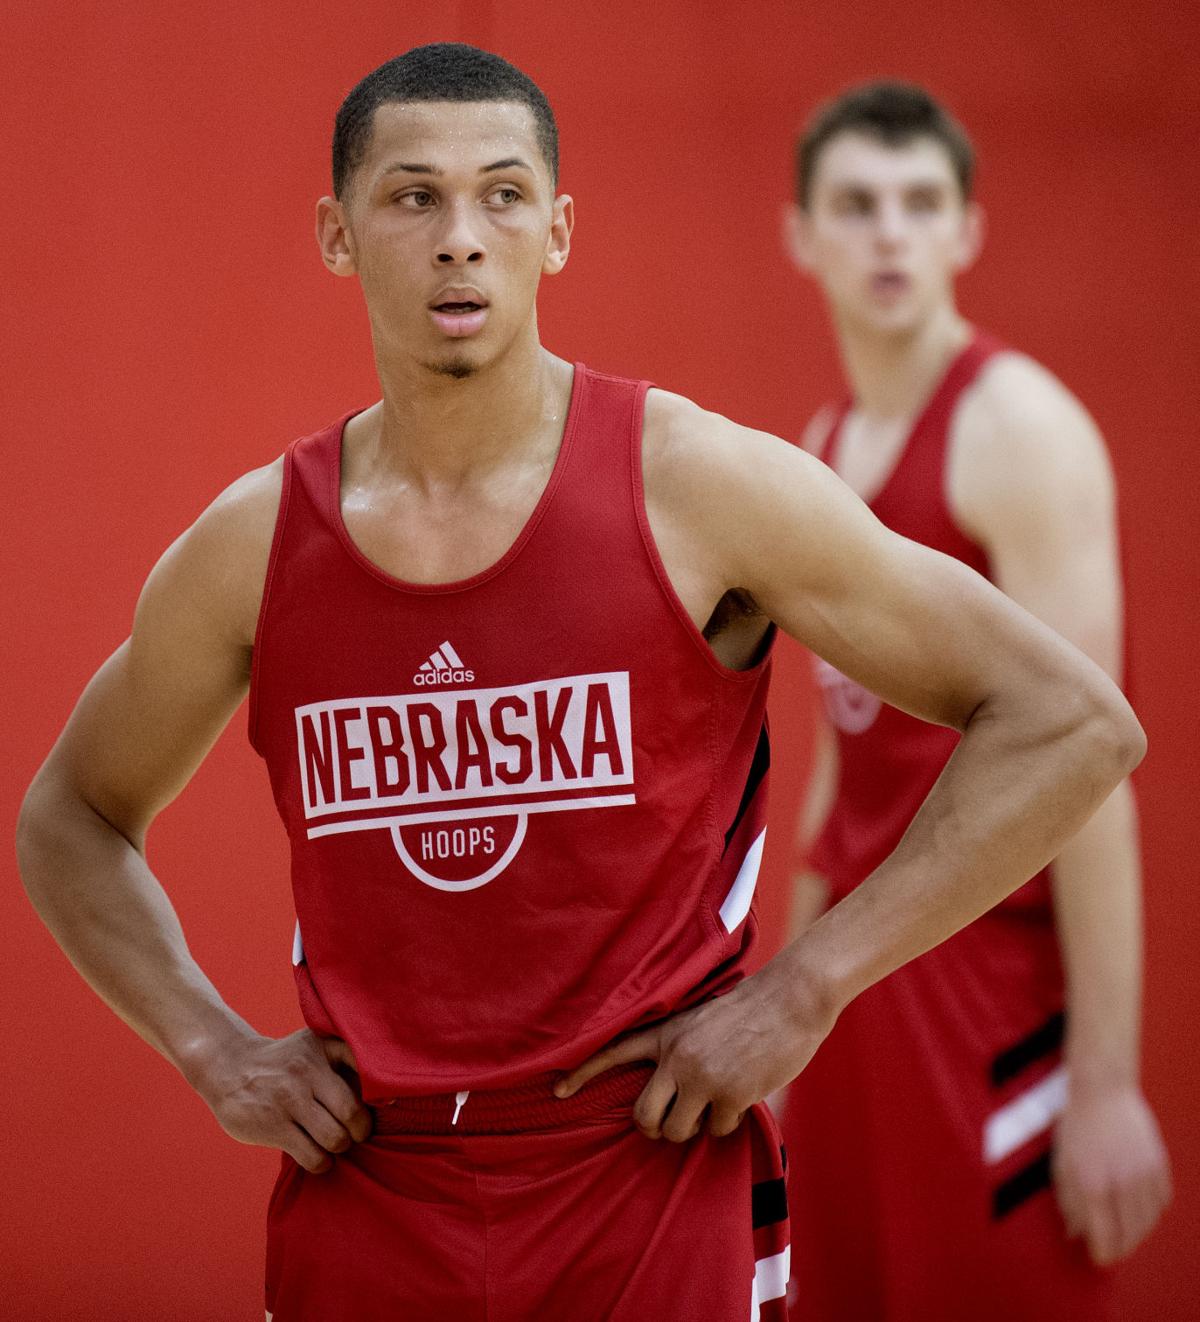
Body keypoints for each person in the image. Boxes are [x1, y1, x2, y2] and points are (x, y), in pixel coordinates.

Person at [16, 46, 1143, 1322]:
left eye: (502, 196)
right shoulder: (255, 542)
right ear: (338, 233)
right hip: (371, 1187)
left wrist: (806, 982)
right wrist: (211, 1044)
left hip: (649, 1179)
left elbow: (1071, 722)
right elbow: (69, 817)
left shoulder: (702, 485)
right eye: (411, 197)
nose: (461, 239)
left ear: (557, 233)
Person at [780, 82, 1172, 1321]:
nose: (889, 233)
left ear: (966, 232)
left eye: (919, 203)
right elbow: (842, 761)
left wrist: (1107, 1082)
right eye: (856, 204)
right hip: (853, 981)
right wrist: (783, 993)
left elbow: (1091, 771)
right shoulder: (825, 443)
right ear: (803, 235)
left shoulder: (1019, 431)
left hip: (989, 984)